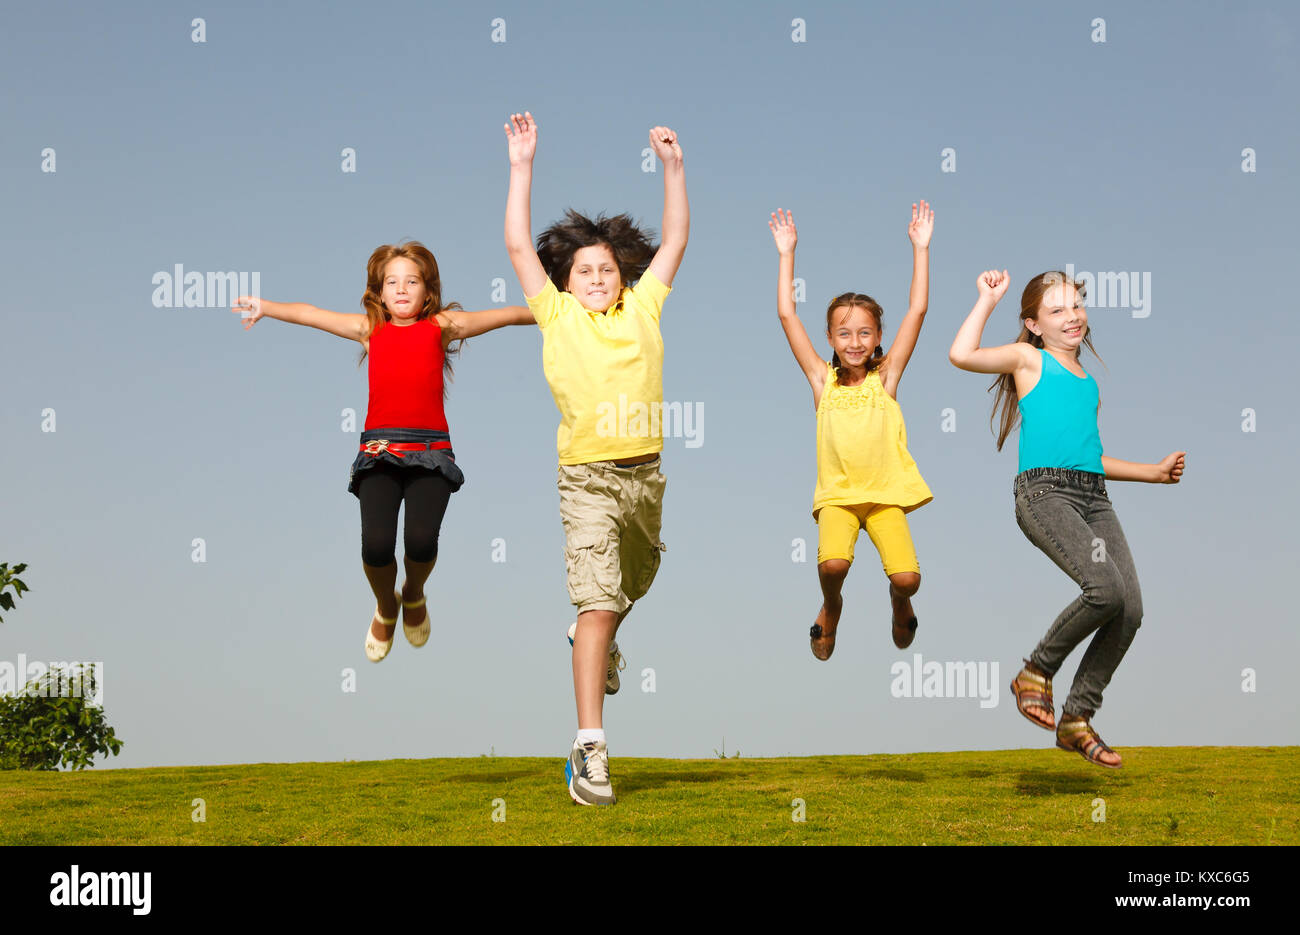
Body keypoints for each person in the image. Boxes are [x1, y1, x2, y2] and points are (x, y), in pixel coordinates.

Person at [503, 111, 688, 805]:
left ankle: (598, 639)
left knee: (633, 584)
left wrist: (673, 168)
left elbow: (675, 240)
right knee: (597, 597)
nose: (597, 277)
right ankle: (590, 748)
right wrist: (522, 166)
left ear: (621, 275)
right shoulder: (556, 316)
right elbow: (519, 244)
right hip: (586, 478)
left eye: (606, 268)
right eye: (584, 269)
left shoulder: (645, 310)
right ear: (567, 278)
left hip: (646, 478)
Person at [232, 241, 532, 663]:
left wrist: (562, 313)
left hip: (430, 450)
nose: (403, 289)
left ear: (428, 291)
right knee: (376, 545)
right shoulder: (370, 328)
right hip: (379, 450)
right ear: (380, 290)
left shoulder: (442, 325)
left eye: (412, 282)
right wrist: (266, 306)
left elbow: (507, 314)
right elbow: (312, 314)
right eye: (393, 282)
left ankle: (413, 593)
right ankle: (386, 605)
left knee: (421, 540)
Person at [949, 269, 1185, 768]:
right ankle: (1035, 673)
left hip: (1093, 497)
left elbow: (1090, 458)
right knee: (1104, 589)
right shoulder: (1028, 359)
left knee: (1131, 608)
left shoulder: (1088, 384)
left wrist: (1153, 473)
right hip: (1044, 494)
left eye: (1075, 305)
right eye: (1055, 310)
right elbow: (961, 354)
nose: (1071, 316)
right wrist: (987, 300)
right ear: (1033, 324)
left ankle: (1077, 718)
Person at [769, 204, 935, 661]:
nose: (855, 342)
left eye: (865, 333)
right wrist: (788, 254)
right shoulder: (822, 382)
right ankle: (831, 605)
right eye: (844, 333)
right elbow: (787, 314)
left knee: (907, 578)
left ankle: (900, 605)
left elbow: (917, 309)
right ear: (830, 338)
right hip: (838, 497)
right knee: (834, 564)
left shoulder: (888, 379)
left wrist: (920, 248)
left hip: (884, 496)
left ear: (879, 335)